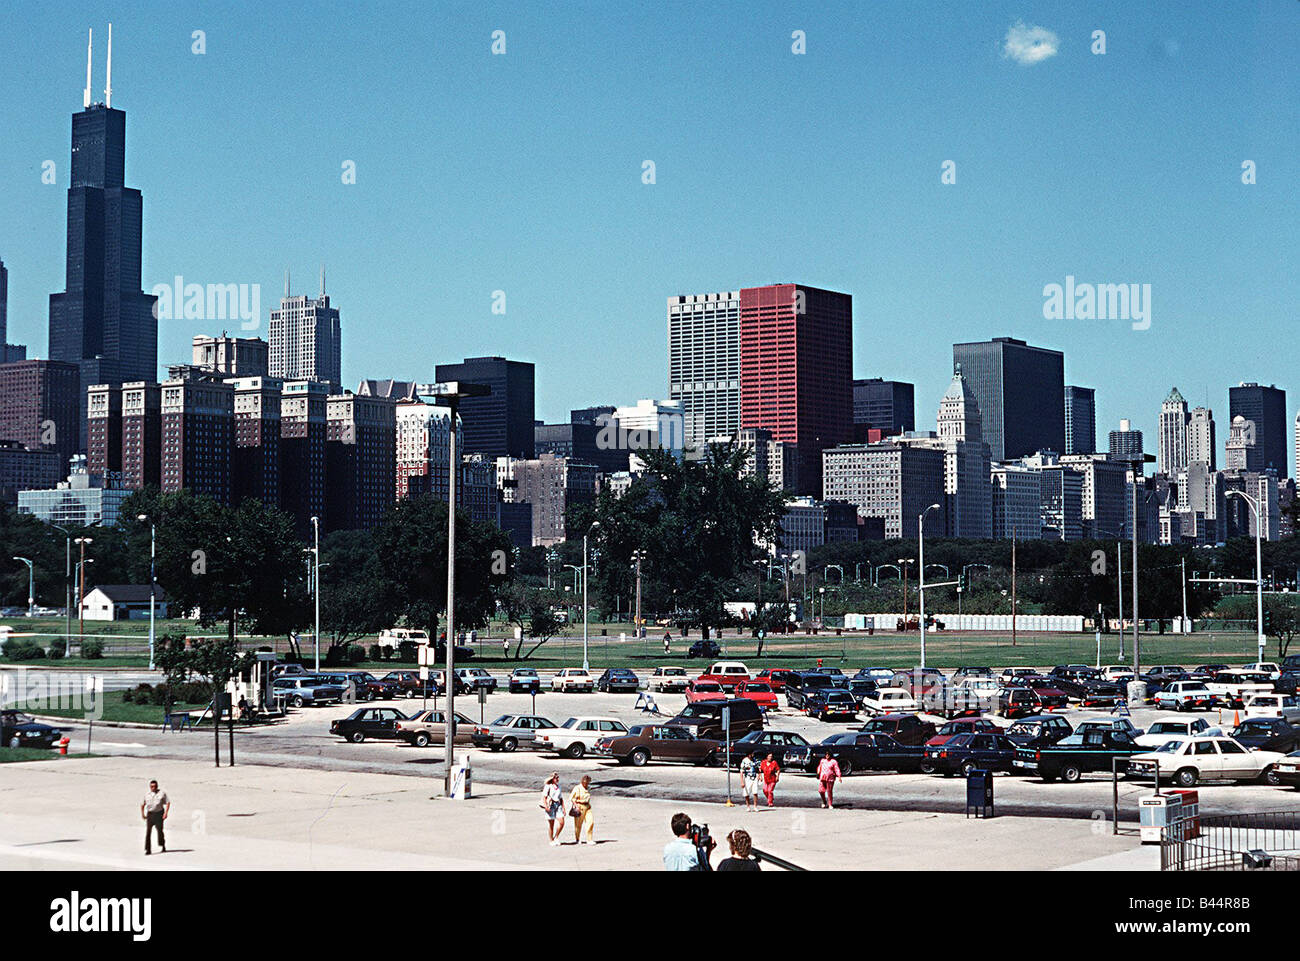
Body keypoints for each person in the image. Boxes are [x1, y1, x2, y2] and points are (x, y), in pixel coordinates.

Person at [141, 779, 170, 855]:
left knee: (160, 831)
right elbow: (142, 804)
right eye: (151, 786)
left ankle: (162, 845)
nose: (153, 788)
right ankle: (148, 849)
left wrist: (166, 813)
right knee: (148, 832)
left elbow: (168, 802)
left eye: (154, 786)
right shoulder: (147, 794)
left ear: (157, 786)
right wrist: (143, 814)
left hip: (159, 814)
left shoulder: (162, 793)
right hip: (150, 814)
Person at [539, 772, 565, 845]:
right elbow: (544, 797)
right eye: (556, 778)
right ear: (552, 779)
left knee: (562, 822)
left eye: (558, 778)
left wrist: (563, 808)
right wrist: (546, 806)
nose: (557, 779)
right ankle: (551, 840)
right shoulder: (548, 786)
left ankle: (556, 837)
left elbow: (561, 797)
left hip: (558, 804)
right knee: (551, 824)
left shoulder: (559, 786)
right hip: (551, 805)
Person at [569, 774, 594, 844]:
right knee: (578, 824)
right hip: (580, 806)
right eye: (585, 783)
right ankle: (577, 838)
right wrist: (576, 806)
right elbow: (571, 798)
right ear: (582, 782)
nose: (586, 784)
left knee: (590, 822)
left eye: (588, 783)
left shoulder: (587, 788)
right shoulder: (577, 788)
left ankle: (589, 839)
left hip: (587, 806)